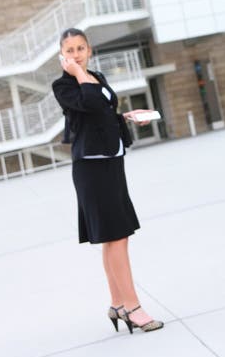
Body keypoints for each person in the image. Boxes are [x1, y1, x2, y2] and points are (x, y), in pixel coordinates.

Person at [52, 27, 163, 335]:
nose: (76, 54)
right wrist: (76, 72)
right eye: (70, 50)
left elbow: (103, 110)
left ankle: (117, 303)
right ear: (62, 54)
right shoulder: (64, 85)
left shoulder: (98, 76)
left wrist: (126, 116)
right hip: (91, 168)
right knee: (116, 236)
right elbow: (87, 103)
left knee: (117, 236)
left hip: (111, 161)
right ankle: (134, 307)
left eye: (80, 49)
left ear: (89, 50)